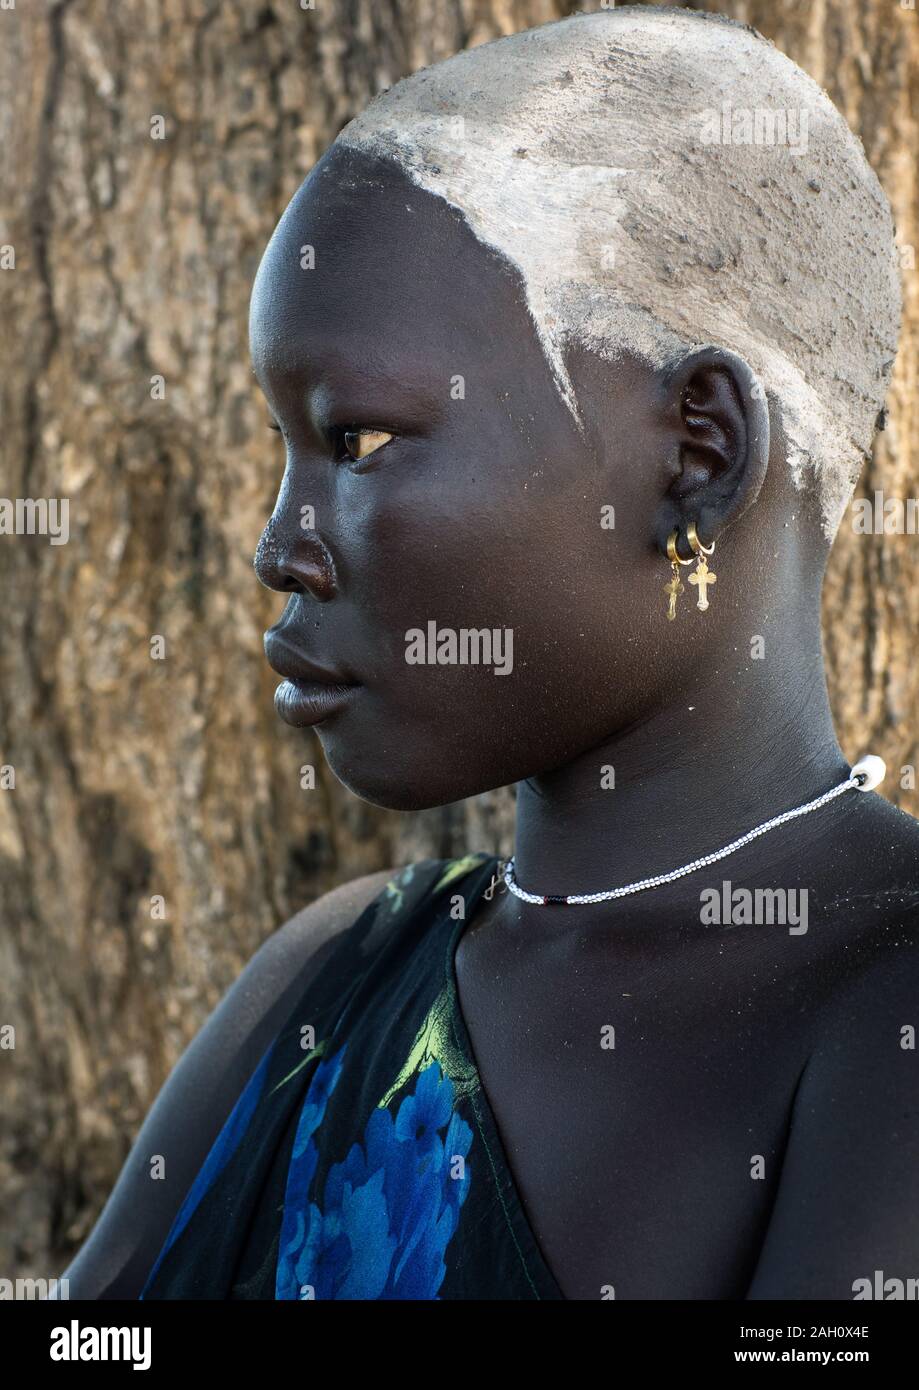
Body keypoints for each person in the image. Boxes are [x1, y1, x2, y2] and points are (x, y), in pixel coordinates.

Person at [63, 7, 919, 1300]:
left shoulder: (885, 995)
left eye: (355, 442)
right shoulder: (336, 974)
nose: (280, 547)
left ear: (697, 452)